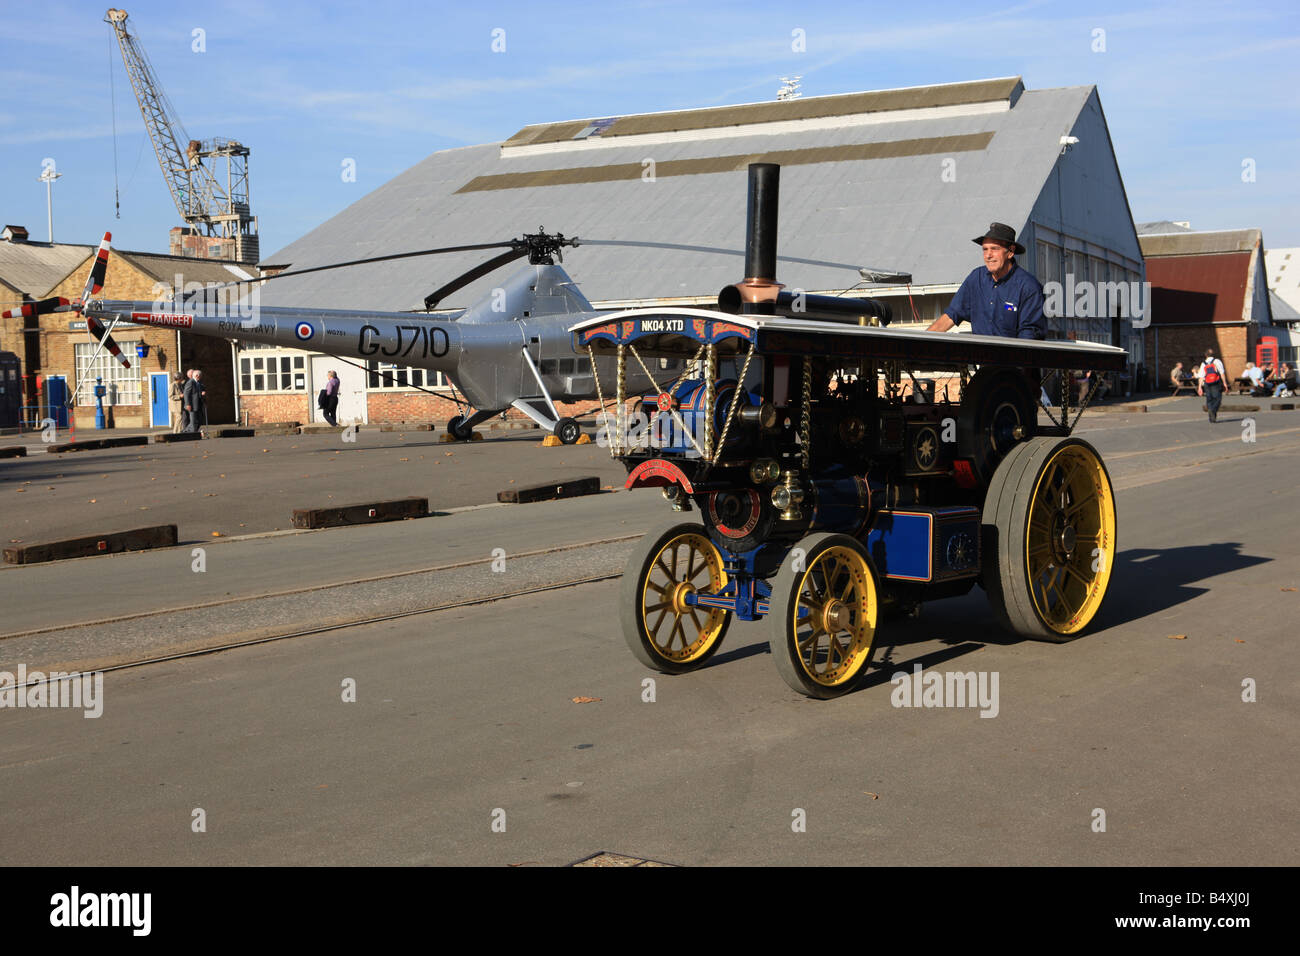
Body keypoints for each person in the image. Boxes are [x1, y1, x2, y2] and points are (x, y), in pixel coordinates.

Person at [926, 222, 1046, 340]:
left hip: (1012, 358)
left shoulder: (1029, 287)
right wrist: (918, 344)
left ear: (1010, 252)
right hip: (980, 358)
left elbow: (1029, 338)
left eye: (994, 249)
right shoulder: (976, 278)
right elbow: (950, 316)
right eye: (985, 249)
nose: (988, 255)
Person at [1197, 348, 1227, 423]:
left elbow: (1201, 376)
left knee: (1209, 399)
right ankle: (1213, 410)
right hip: (1216, 382)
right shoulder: (1217, 361)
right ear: (1213, 355)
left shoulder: (1203, 363)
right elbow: (1222, 373)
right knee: (1217, 399)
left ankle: (1212, 416)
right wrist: (1224, 383)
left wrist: (1200, 387)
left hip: (1207, 383)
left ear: (1205, 355)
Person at [184, 368, 207, 435]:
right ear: (197, 376)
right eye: (200, 376)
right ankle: (193, 434)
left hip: (199, 404)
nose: (201, 377)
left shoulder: (199, 383)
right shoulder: (190, 382)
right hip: (192, 405)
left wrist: (202, 394)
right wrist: (188, 404)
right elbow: (186, 393)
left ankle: (186, 431)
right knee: (193, 421)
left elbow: (197, 393)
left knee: (199, 420)